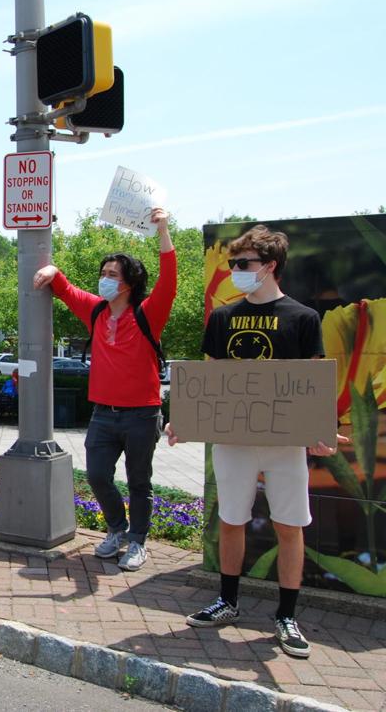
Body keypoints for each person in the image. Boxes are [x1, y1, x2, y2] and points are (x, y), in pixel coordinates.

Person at [166, 225, 345, 659]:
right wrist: (184, 420)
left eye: (243, 264)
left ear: (270, 267)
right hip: (233, 440)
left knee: (290, 525)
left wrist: (318, 431)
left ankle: (286, 615)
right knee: (231, 519)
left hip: (284, 443)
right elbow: (209, 380)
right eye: (232, 264)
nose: (235, 271)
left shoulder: (303, 318)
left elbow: (311, 383)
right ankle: (228, 601)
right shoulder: (222, 317)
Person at [31, 208, 175, 572]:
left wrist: (163, 231)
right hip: (103, 415)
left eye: (112, 275)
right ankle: (117, 530)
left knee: (139, 481)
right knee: (96, 475)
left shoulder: (147, 313)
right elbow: (67, 290)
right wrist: (53, 272)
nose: (104, 279)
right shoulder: (96, 312)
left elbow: (169, 280)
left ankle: (138, 542)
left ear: (128, 283)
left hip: (142, 414)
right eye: (103, 273)